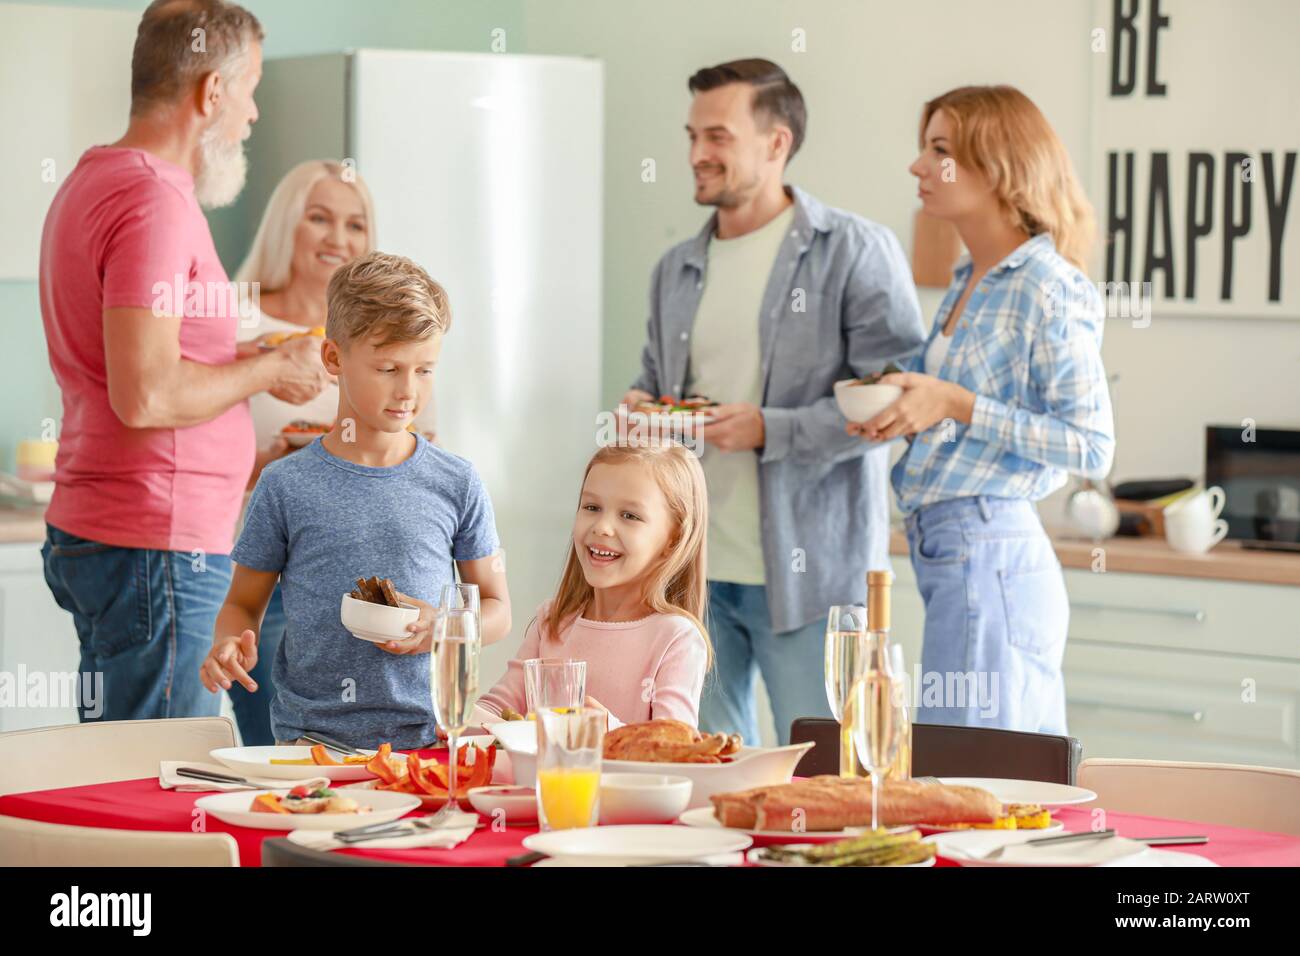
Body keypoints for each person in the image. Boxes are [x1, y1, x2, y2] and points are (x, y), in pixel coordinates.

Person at [39, 0, 329, 722]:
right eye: (251, 87)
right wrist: (265, 371)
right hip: (157, 544)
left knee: (118, 768)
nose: (254, 113)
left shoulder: (94, 182)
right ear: (212, 93)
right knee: (153, 781)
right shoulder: (153, 202)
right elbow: (147, 393)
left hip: (122, 533)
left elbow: (146, 358)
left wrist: (255, 353)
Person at [622, 58, 925, 745]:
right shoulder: (675, 268)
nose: (698, 154)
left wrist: (770, 429)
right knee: (701, 778)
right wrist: (646, 408)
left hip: (812, 577)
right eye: (692, 135)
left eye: (718, 137)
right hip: (689, 575)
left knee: (821, 781)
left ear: (776, 143)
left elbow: (895, 403)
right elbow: (655, 378)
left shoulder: (853, 251)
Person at [850, 86, 1115, 734]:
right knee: (967, 770)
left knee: (974, 781)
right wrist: (903, 400)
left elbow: (1091, 444)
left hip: (990, 549)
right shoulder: (971, 275)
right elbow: (956, 408)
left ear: (998, 167)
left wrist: (957, 403)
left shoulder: (1047, 287)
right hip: (952, 551)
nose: (918, 167)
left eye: (939, 150)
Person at [198, 252, 511, 749]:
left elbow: (497, 609)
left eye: (425, 370)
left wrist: (444, 627)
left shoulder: (457, 481)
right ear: (333, 359)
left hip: (427, 742)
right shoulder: (285, 486)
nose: (408, 390)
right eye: (387, 368)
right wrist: (230, 642)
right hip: (310, 744)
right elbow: (241, 604)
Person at [225, 159, 378, 744]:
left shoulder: (380, 330)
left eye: (355, 224)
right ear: (287, 223)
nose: (338, 239)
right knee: (273, 748)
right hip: (259, 573)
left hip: (358, 579)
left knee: (351, 758)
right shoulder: (238, 317)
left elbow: (415, 442)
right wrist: (263, 466)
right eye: (319, 218)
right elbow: (191, 444)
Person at [475, 441, 711, 728]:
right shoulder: (553, 621)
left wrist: (605, 728)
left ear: (673, 539)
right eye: (592, 507)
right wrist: (453, 714)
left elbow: (674, 749)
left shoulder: (675, 638)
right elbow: (499, 708)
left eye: (630, 515)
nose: (602, 527)